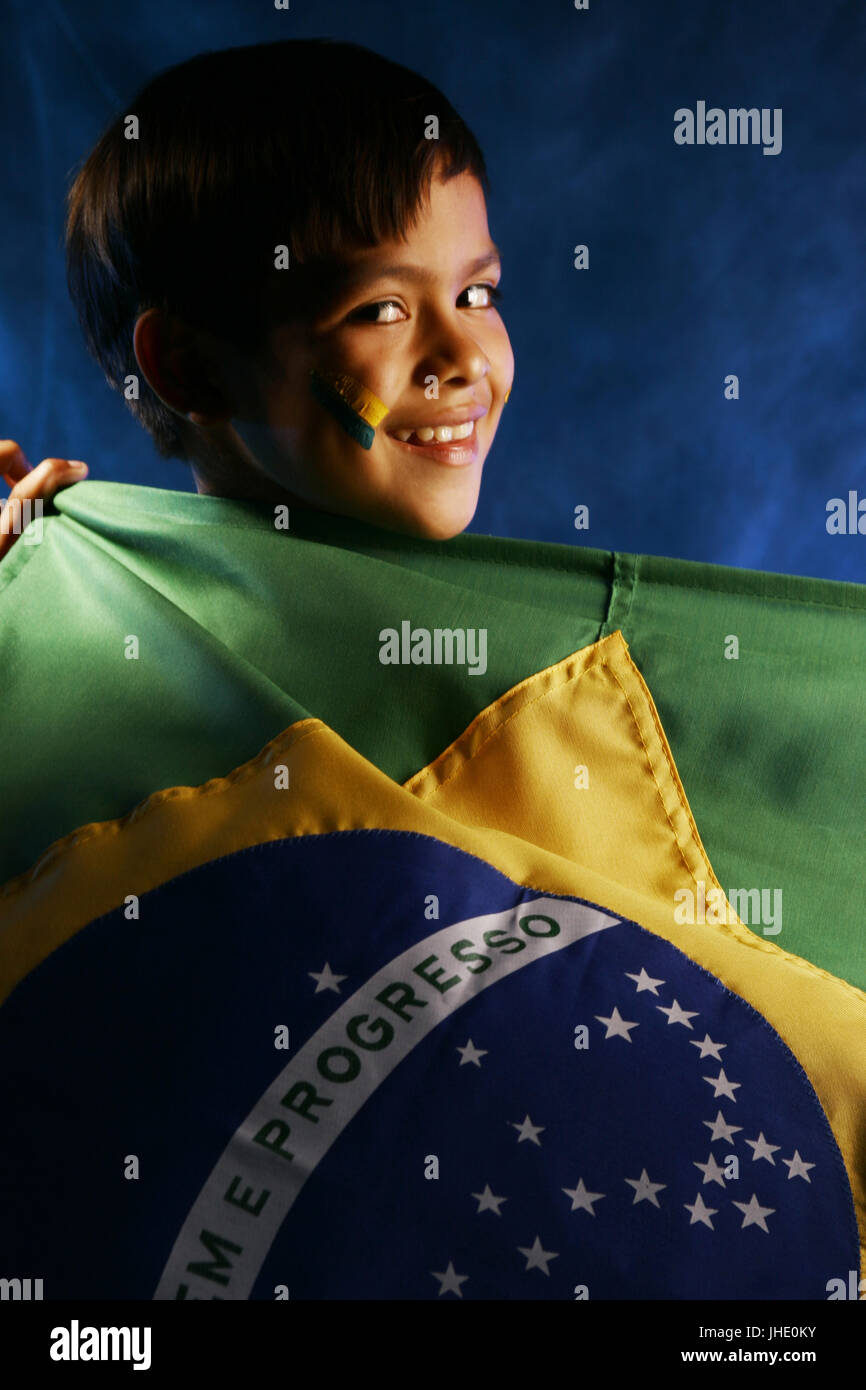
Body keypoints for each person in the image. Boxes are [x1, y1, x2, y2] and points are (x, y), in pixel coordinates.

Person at [1, 38, 864, 1304]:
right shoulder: (72, 647)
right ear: (184, 365)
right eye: (381, 309)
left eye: (480, 291)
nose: (463, 358)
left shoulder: (565, 664)